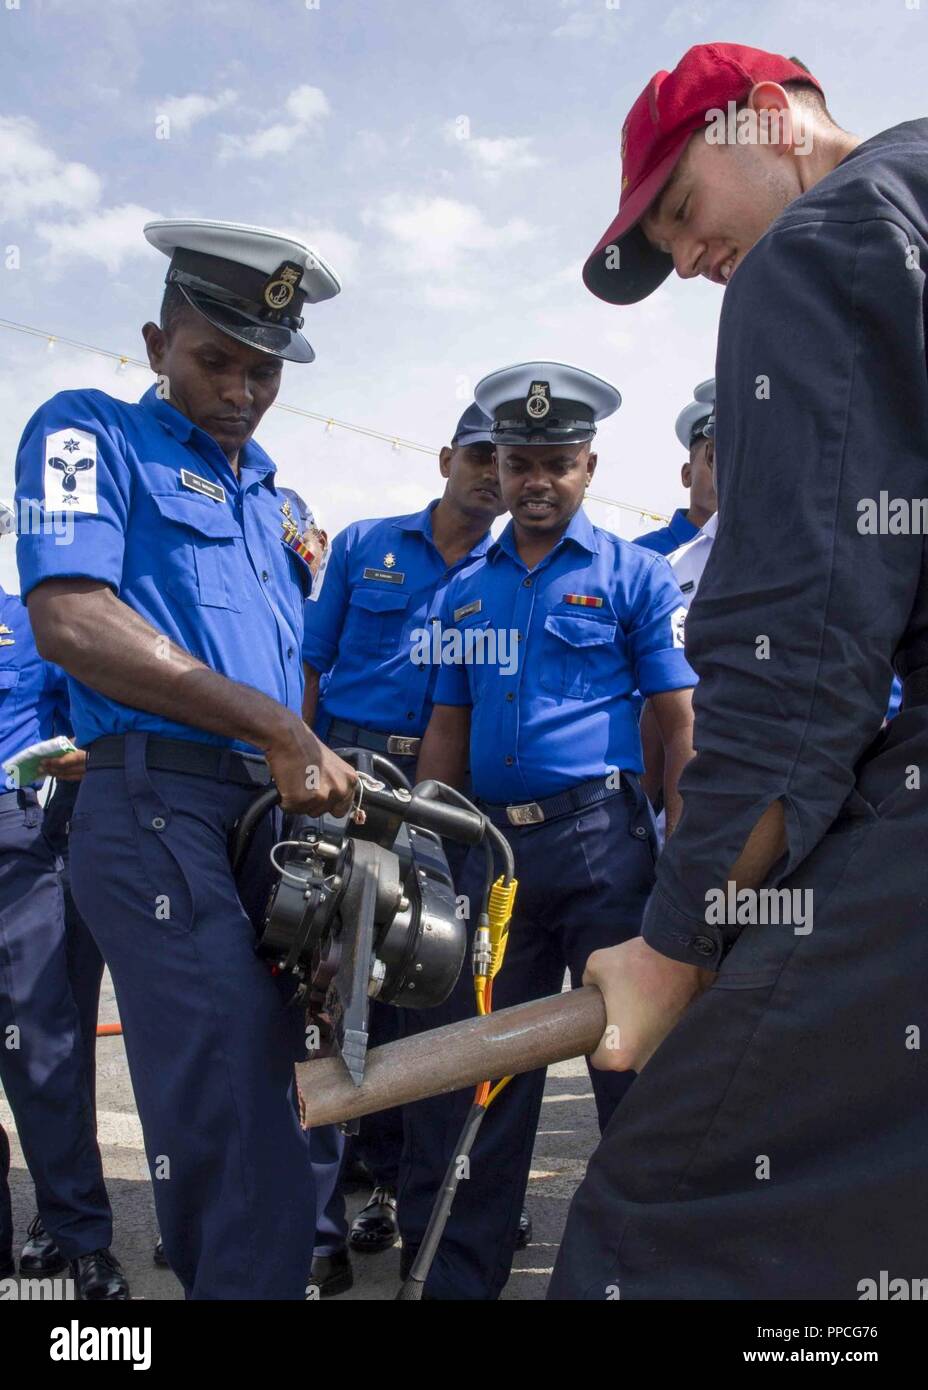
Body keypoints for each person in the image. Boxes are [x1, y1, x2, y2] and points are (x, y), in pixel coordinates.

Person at [551, 41, 928, 1300]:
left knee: (680, 1212)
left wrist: (674, 949)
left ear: (765, 117)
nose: (689, 260)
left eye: (678, 208)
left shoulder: (819, 244)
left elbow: (792, 658)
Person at [14, 219, 357, 1301]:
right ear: (157, 339)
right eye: (217, 358)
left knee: (288, 1076)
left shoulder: (275, 500)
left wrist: (304, 767)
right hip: (153, 801)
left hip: (267, 818)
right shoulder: (88, 433)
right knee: (229, 1098)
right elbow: (73, 620)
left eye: (264, 370)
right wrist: (274, 726)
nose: (243, 388)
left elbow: (284, 663)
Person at [398, 361, 696, 1300]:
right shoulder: (461, 594)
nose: (535, 480)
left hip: (606, 847)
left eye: (556, 463)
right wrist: (425, 850)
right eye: (520, 460)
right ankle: (459, 1280)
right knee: (487, 1072)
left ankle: (650, 1275)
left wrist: (684, 850)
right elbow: (445, 727)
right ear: (498, 461)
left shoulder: (635, 576)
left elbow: (680, 721)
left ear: (589, 467)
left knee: (632, 1069)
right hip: (493, 859)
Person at [301, 401, 503, 1296]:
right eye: (481, 453)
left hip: (447, 793)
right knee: (327, 981)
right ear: (446, 456)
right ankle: (318, 1212)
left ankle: (416, 1193)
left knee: (430, 988)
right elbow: (311, 664)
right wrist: (299, 783)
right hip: (348, 770)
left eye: (511, 458)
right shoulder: (363, 544)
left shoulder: (515, 570)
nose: (494, 472)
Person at [0, 501, 127, 1298]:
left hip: (18, 846)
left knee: (43, 1047)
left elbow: (85, 734)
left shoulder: (29, 623)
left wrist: (54, 763)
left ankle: (77, 1235)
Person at [634, 379, 717, 555]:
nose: (725, 472)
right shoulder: (642, 555)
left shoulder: (764, 550)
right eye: (713, 459)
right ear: (687, 475)